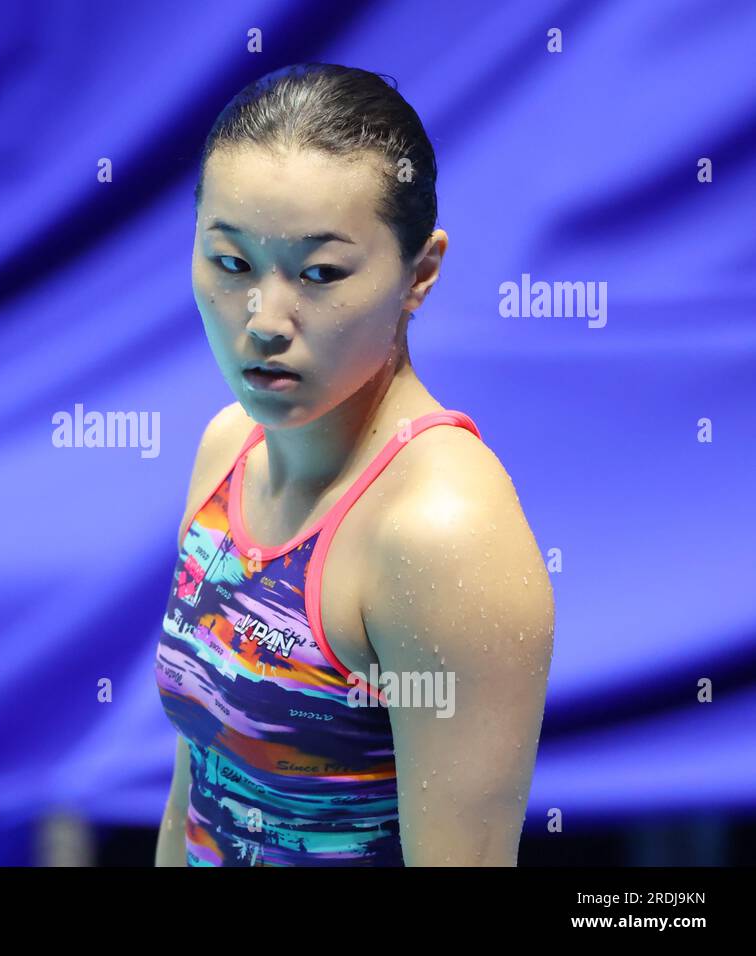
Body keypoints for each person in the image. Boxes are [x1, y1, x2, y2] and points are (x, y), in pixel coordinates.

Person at [154, 63, 554, 866]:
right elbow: (196, 792)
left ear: (421, 274)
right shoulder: (229, 449)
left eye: (320, 273)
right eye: (231, 263)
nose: (265, 322)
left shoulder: (440, 535)